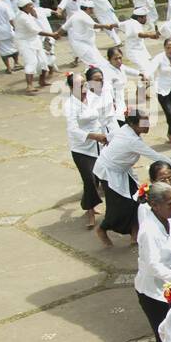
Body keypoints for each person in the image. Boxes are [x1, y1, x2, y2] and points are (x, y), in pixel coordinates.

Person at [91, 110, 162, 248]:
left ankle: (134, 234)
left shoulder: (126, 130)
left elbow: (110, 136)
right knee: (119, 207)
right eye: (144, 122)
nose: (147, 125)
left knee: (138, 199)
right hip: (109, 172)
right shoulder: (132, 140)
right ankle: (102, 228)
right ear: (133, 125)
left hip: (123, 171)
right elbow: (155, 156)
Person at [136, 180, 171, 342]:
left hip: (167, 285)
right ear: (155, 206)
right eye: (170, 203)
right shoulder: (149, 231)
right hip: (152, 292)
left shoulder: (168, 221)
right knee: (163, 337)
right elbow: (152, 266)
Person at [64, 70, 109, 230]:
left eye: (83, 84)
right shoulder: (70, 105)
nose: (82, 87)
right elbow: (73, 130)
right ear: (71, 88)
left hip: (98, 144)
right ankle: (89, 211)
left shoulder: (92, 98)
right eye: (78, 85)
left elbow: (102, 117)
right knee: (89, 180)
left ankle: (88, 203)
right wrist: (93, 135)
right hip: (81, 148)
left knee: (98, 179)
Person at [12, 0, 56, 93]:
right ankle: (29, 86)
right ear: (24, 7)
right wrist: (53, 35)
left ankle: (42, 81)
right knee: (31, 62)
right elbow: (36, 30)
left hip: (34, 40)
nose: (32, 6)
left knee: (44, 61)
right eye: (30, 5)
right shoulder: (23, 17)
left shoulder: (27, 14)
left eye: (32, 4)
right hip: (24, 42)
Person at [148, 38, 171, 139]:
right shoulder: (159, 57)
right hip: (163, 89)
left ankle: (170, 132)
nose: (170, 50)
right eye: (168, 48)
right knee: (170, 114)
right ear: (164, 47)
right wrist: (146, 76)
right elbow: (151, 68)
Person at [63, 0, 114, 70]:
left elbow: (63, 28)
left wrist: (55, 34)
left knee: (100, 62)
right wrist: (105, 26)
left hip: (88, 44)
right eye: (92, 9)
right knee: (94, 64)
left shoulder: (76, 15)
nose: (93, 11)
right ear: (88, 9)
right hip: (82, 46)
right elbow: (94, 25)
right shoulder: (83, 16)